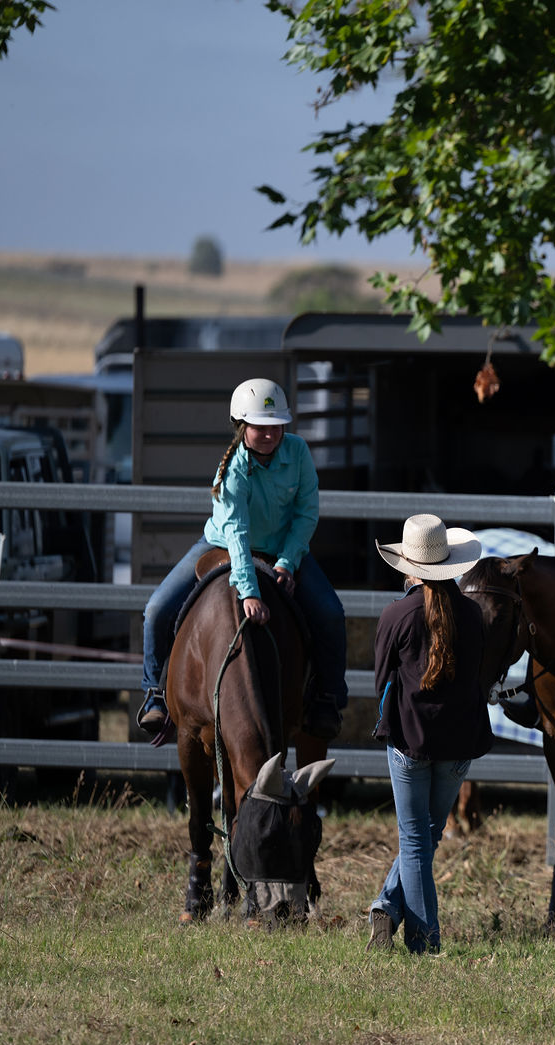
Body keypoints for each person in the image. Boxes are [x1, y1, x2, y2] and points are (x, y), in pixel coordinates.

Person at [137, 378, 346, 741]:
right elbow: (237, 533)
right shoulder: (232, 468)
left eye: (276, 425)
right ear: (241, 426)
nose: (269, 433)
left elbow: (307, 512)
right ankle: (155, 692)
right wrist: (249, 592)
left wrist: (287, 562)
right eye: (260, 426)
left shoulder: (297, 452)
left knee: (330, 612)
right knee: (156, 609)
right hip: (222, 545)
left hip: (284, 548)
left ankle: (327, 696)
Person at [368, 513, 495, 954]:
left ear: (407, 565)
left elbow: (380, 678)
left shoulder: (396, 614)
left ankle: (425, 942)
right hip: (459, 742)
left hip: (410, 739)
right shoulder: (474, 614)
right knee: (428, 834)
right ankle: (386, 908)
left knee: (416, 839)